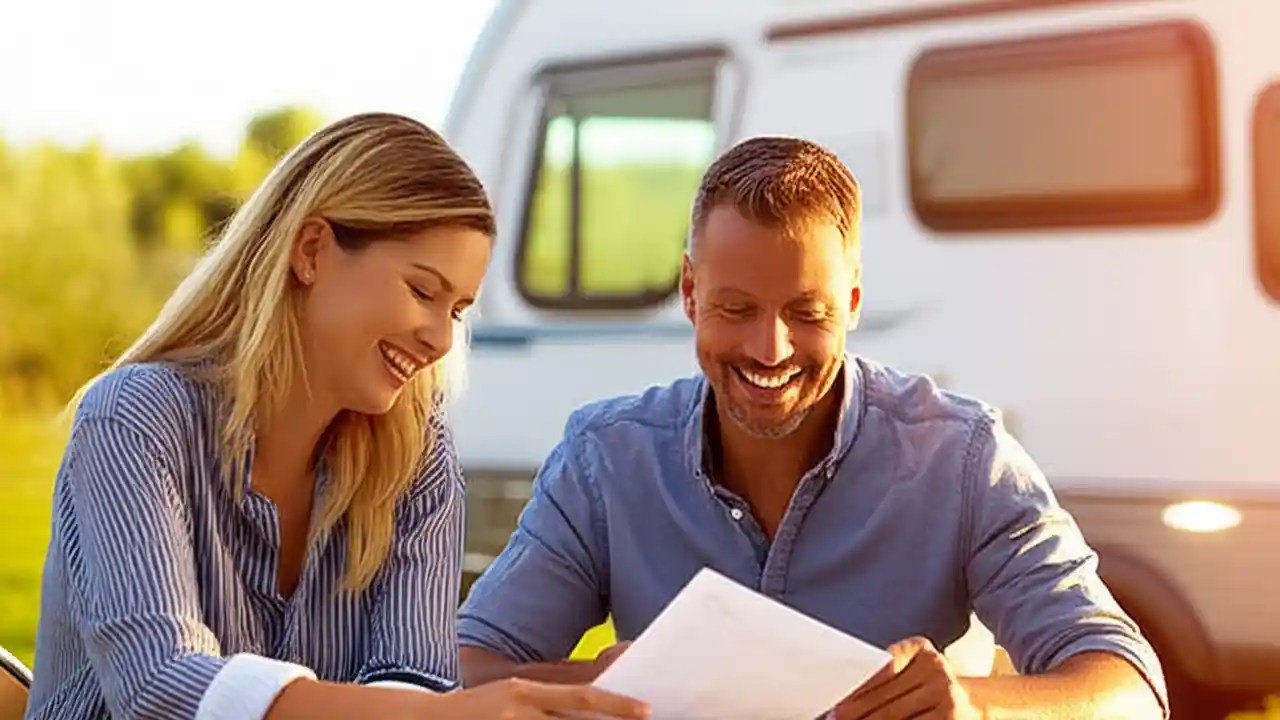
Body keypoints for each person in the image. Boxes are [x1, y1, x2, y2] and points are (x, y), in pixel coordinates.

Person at [456, 136, 1169, 719]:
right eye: (736, 309)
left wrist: (979, 711)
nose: (771, 349)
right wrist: (597, 681)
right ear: (689, 292)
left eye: (808, 312)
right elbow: (465, 666)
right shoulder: (606, 461)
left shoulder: (960, 458)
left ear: (853, 300)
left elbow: (1130, 691)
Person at [24, 113, 649, 720]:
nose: (438, 339)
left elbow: (415, 677)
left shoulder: (415, 453)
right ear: (313, 250)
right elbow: (159, 684)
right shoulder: (136, 419)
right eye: (422, 291)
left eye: (456, 310)